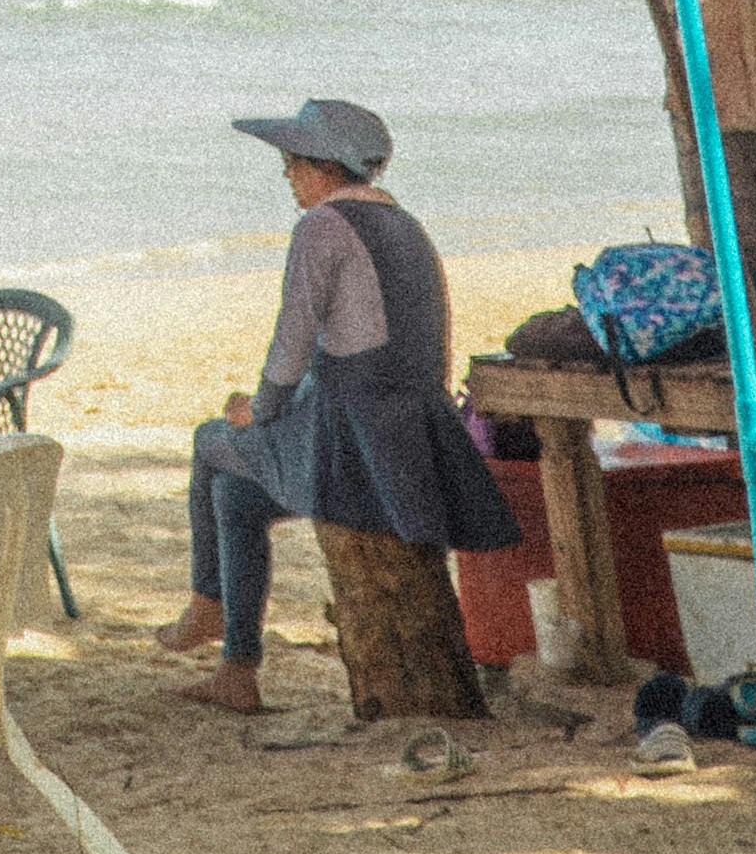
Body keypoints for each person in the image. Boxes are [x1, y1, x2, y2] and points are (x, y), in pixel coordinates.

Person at [168, 96, 517, 711]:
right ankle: (237, 671)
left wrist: (264, 408)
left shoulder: (322, 226)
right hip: (406, 425)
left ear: (321, 167)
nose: (287, 177)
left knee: (210, 442)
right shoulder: (404, 222)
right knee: (234, 498)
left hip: (353, 430)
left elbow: (293, 340)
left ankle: (206, 604)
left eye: (293, 164)